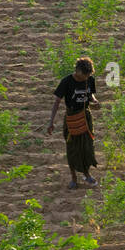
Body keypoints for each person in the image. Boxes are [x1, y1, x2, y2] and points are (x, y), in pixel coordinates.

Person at [48, 57, 101, 189]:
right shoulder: (67, 82)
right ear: (77, 71)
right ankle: (73, 177)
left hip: (85, 116)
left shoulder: (89, 79)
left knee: (87, 147)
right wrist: (51, 122)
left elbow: (90, 95)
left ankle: (86, 174)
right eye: (84, 76)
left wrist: (94, 101)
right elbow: (56, 102)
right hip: (72, 118)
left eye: (88, 76)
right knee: (72, 148)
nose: (85, 79)